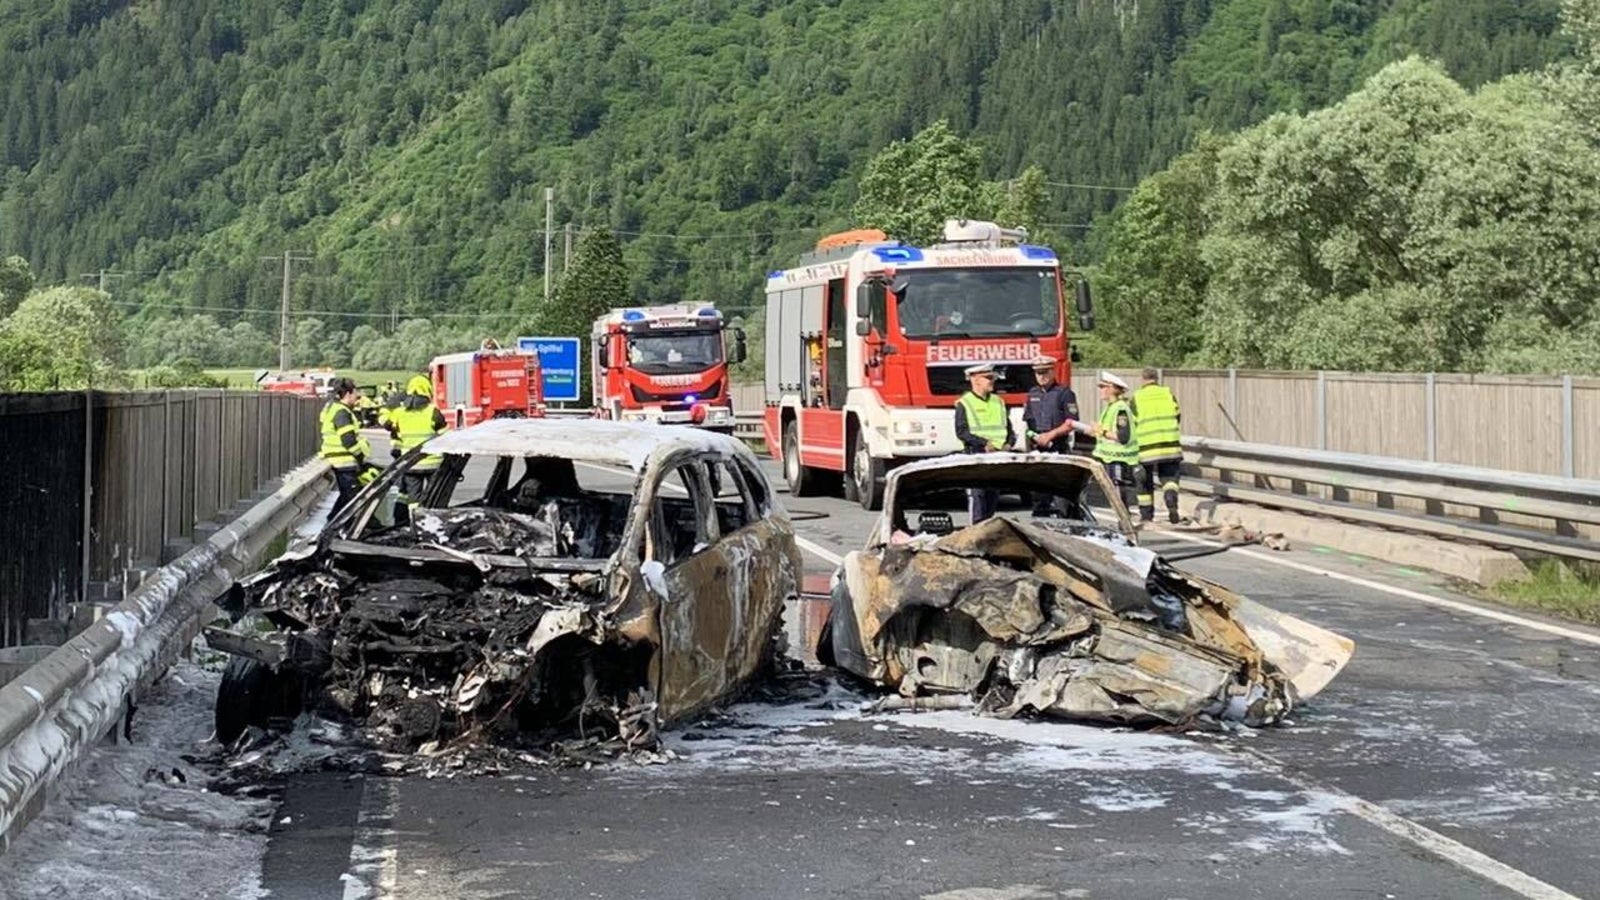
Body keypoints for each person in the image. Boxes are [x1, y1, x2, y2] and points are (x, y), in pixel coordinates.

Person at [1021, 356, 1082, 516]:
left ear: (1052, 371)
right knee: (1039, 494)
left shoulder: (1064, 393)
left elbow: (1072, 422)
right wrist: (1035, 436)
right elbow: (1028, 422)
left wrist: (1051, 435)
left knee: (1061, 494)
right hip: (1039, 449)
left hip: (1058, 447)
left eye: (1045, 372)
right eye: (1038, 373)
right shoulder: (1032, 394)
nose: (1042, 376)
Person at [953, 362, 1013, 524]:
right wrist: (984, 443)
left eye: (992, 377)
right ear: (975, 380)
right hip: (976, 458)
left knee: (992, 498)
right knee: (977, 498)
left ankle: (987, 532)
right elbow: (962, 432)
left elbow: (1008, 428)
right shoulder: (965, 403)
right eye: (988, 378)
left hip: (997, 458)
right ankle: (977, 534)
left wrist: (1009, 443)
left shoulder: (998, 401)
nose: (992, 381)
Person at [386, 375, 447, 520]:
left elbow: (388, 425)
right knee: (434, 494)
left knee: (414, 498)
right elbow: (445, 435)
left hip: (411, 464)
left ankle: (415, 522)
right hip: (433, 463)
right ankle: (434, 520)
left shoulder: (400, 413)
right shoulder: (433, 411)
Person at [1130, 367, 1183, 525]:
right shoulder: (1168, 394)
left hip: (1146, 447)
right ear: (1157, 378)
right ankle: (1170, 496)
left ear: (1143, 379)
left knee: (1144, 482)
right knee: (1170, 477)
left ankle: (1147, 515)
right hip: (1170, 444)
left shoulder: (1137, 397)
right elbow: (1177, 415)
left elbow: (1132, 423)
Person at [320, 377, 372, 515]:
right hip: (343, 460)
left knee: (347, 496)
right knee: (351, 496)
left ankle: (335, 524)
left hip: (340, 460)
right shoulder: (342, 412)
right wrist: (360, 457)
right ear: (348, 394)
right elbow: (348, 440)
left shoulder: (336, 409)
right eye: (355, 394)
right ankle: (336, 525)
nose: (357, 397)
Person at [1091, 371, 1140, 517]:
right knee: (1114, 495)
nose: (1101, 390)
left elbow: (1123, 437)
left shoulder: (1120, 409)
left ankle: (1126, 526)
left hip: (1119, 458)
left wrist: (1102, 431)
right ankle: (1123, 524)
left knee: (1118, 496)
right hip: (1110, 458)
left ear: (1112, 388)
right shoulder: (1111, 407)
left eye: (1104, 387)